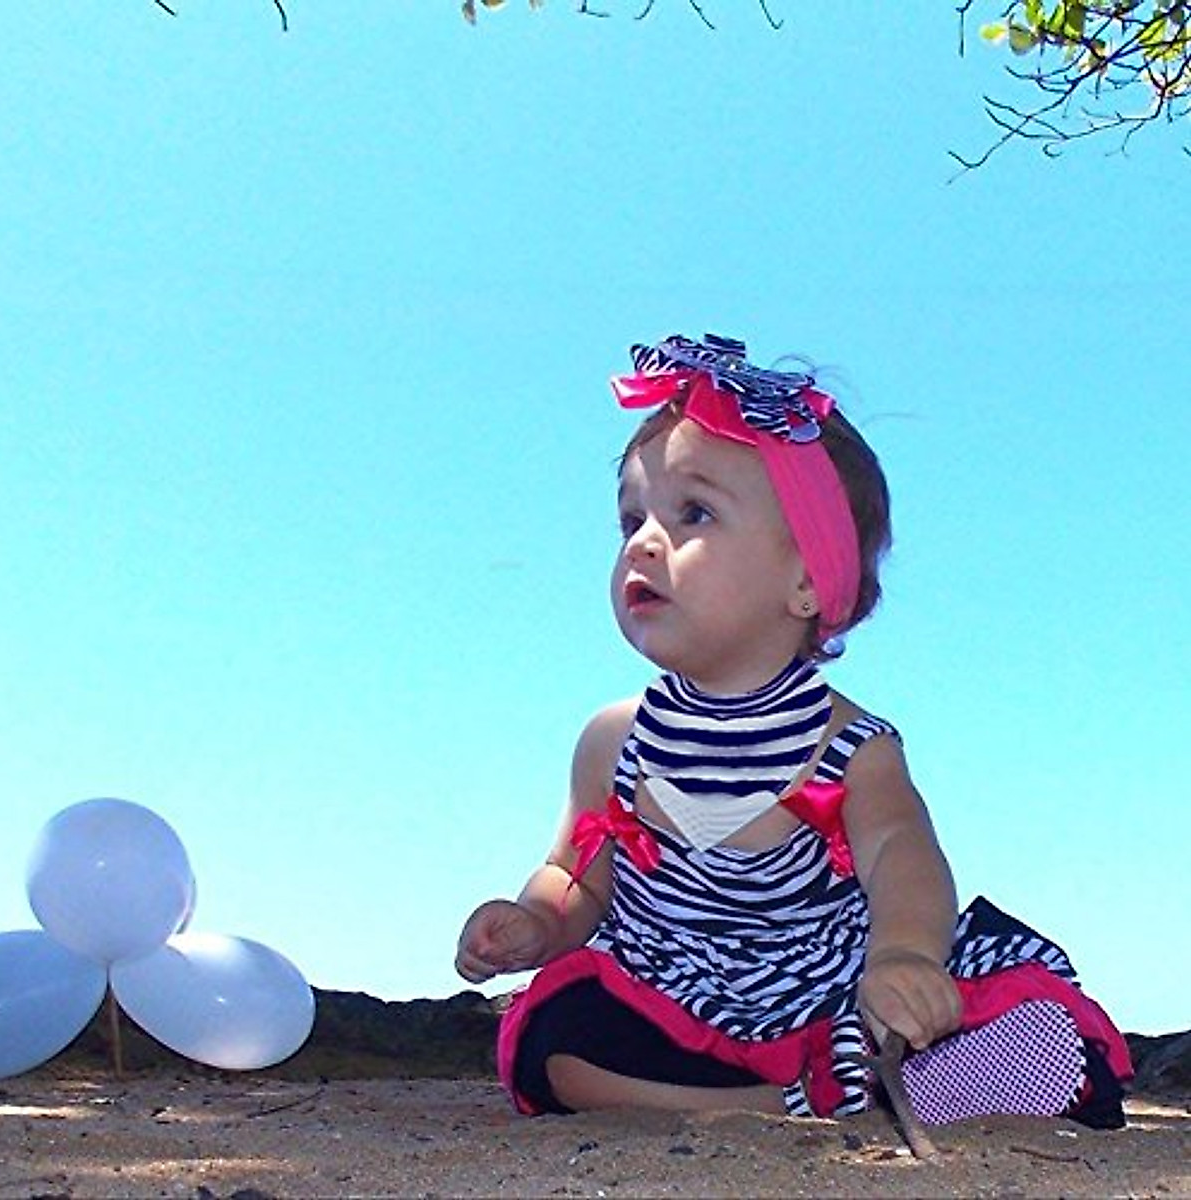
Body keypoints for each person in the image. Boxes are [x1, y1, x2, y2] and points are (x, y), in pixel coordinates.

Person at [455, 333, 1131, 1127]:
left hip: (831, 998)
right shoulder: (615, 741)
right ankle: (788, 1102)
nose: (643, 541)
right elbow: (576, 875)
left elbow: (902, 858)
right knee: (556, 1032)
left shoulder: (850, 747)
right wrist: (537, 921)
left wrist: (904, 957)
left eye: (693, 513)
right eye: (632, 518)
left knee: (1041, 1035)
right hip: (672, 999)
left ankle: (863, 1079)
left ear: (807, 580)